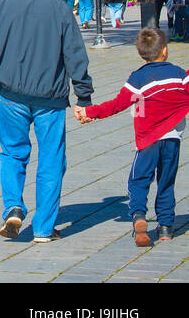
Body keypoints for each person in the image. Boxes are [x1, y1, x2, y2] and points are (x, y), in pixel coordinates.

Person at [0, 0, 92, 243]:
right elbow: (75, 55)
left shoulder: (1, 6)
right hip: (50, 96)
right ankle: (42, 227)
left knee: (13, 152)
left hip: (12, 93)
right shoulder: (59, 9)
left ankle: (13, 204)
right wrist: (84, 96)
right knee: (51, 158)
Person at [77, 28, 189, 245]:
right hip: (173, 138)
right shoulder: (179, 75)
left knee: (139, 179)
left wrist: (90, 112)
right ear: (165, 51)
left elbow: (118, 105)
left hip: (147, 140)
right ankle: (166, 227)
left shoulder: (137, 78)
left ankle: (138, 215)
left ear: (140, 54)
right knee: (166, 181)